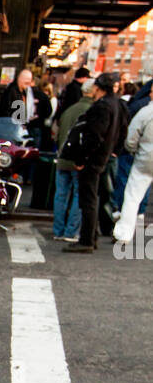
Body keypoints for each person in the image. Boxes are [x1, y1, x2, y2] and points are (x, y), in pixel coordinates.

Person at [63, 72, 122, 253]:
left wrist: (81, 159)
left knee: (87, 199)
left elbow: (94, 136)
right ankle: (90, 237)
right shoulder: (116, 105)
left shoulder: (102, 107)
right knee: (94, 198)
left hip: (93, 158)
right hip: (103, 155)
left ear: (98, 88)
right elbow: (121, 130)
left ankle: (87, 239)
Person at [52, 77, 93, 240]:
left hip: (63, 158)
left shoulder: (69, 110)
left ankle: (58, 230)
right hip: (78, 161)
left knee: (61, 195)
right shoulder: (91, 111)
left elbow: (58, 133)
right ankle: (70, 231)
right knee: (78, 195)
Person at [113, 84, 153, 245]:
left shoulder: (145, 112)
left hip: (145, 158)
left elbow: (131, 138)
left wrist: (134, 150)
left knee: (132, 196)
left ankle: (124, 233)